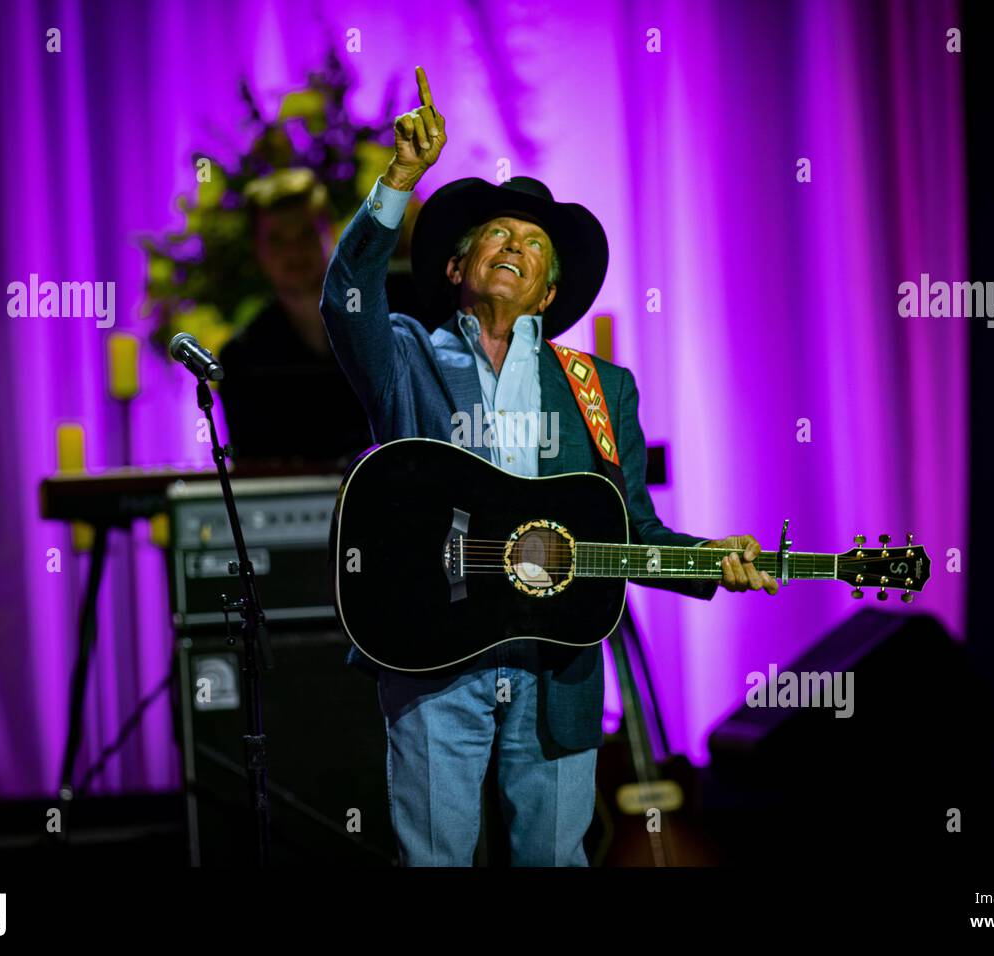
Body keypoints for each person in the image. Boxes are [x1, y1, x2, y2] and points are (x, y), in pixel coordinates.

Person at [320, 66, 778, 866]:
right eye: (495, 235)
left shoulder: (600, 390)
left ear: (547, 293)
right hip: (435, 660)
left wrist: (715, 563)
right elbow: (344, 297)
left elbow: (631, 530)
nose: (514, 247)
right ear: (457, 270)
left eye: (533, 244)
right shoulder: (405, 360)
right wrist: (398, 179)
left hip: (556, 665)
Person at [218, 170, 373, 465]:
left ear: (331, 231)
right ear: (257, 248)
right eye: (277, 240)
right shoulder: (242, 357)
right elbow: (254, 468)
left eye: (306, 234)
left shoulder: (388, 314)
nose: (294, 251)